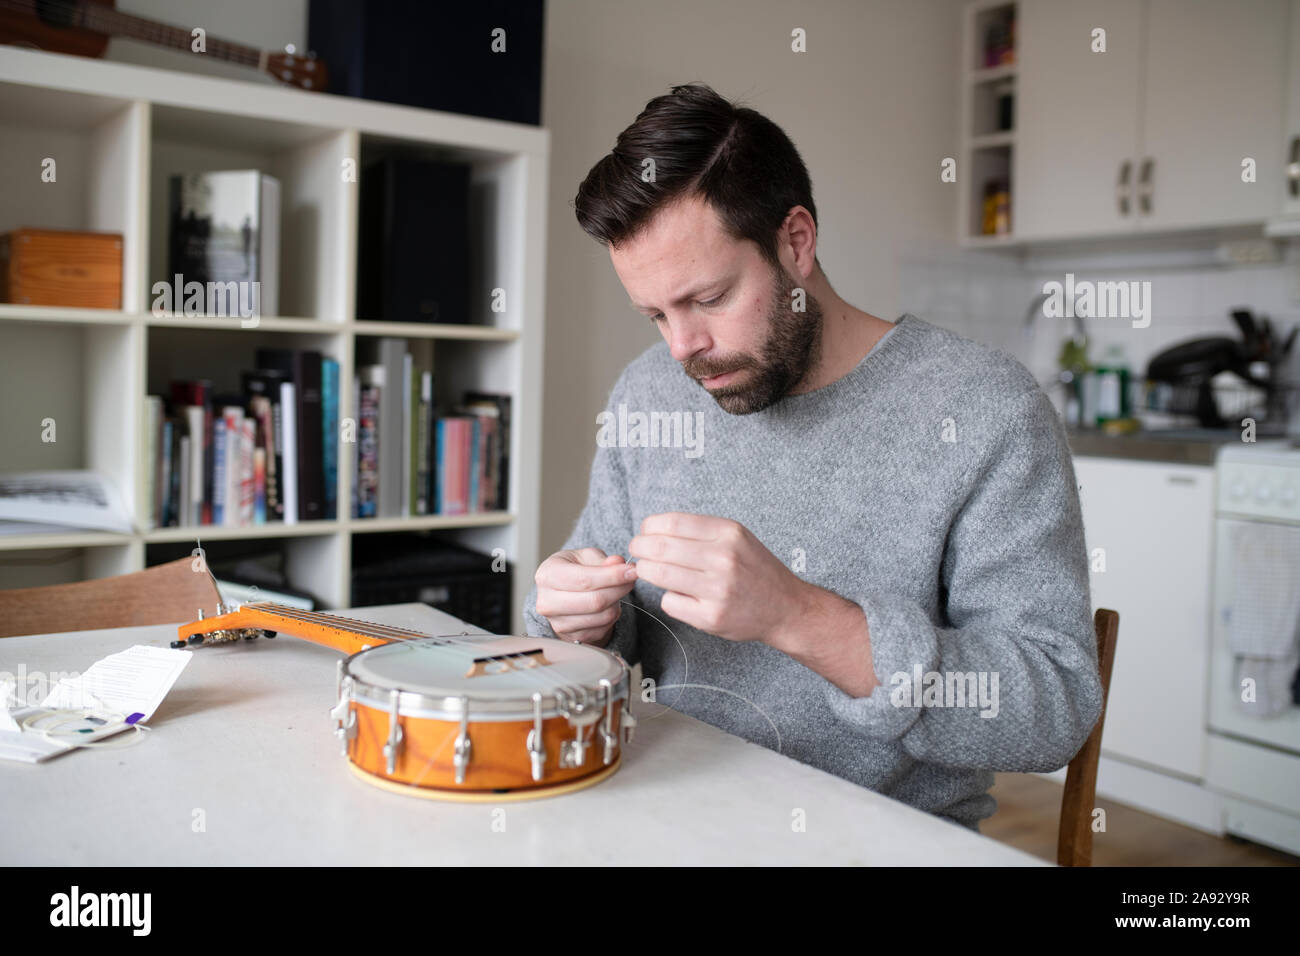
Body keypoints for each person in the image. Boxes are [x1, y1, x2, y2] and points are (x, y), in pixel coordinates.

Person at [524, 82, 1103, 831]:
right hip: (668, 814)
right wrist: (579, 617)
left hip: (883, 838)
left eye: (709, 298)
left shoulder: (984, 409)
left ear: (796, 241)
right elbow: (607, 615)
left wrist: (800, 617)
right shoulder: (649, 394)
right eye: (656, 314)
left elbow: (1052, 707)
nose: (682, 349)